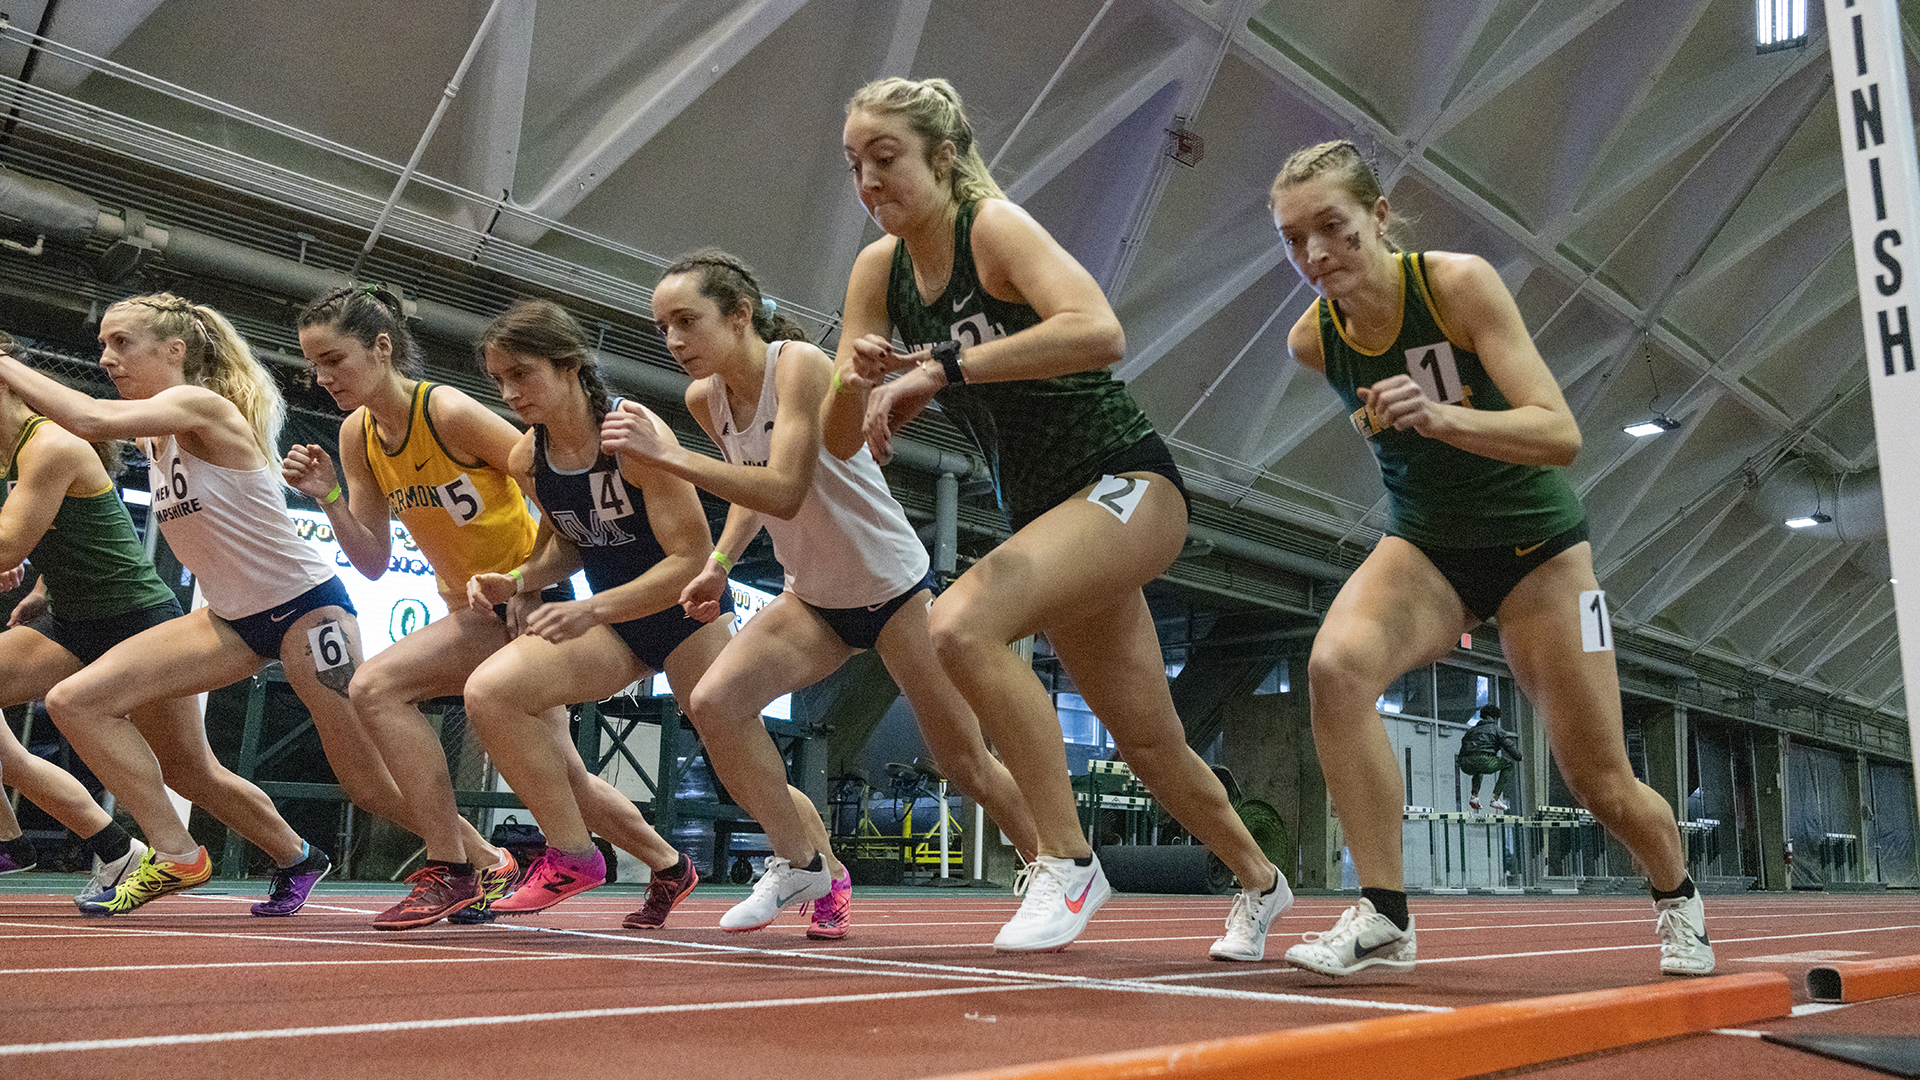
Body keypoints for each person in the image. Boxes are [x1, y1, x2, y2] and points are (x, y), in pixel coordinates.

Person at [838, 77, 1289, 958]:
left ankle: (1066, 859)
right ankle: (1261, 881)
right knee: (1153, 747)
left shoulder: (991, 230)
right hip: (1050, 511)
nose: (868, 182)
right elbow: (837, 420)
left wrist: (939, 368)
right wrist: (863, 382)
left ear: (944, 156)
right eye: (854, 166)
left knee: (962, 623)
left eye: (885, 159)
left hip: (1127, 481)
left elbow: (1098, 330)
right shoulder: (877, 270)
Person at [1267, 140, 1712, 977]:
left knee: (1599, 780)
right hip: (1428, 548)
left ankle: (1678, 895)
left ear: (1380, 216)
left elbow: (1560, 434)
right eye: (1294, 239)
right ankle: (1385, 915)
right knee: (1336, 667)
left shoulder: (1457, 285)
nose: (1315, 253)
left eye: (1332, 226)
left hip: (1539, 552)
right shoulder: (1312, 340)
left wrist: (1446, 417)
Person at [602, 248, 1040, 936]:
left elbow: (786, 486)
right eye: (662, 327)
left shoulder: (798, 366)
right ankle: (801, 860)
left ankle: (1053, 868)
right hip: (816, 600)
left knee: (964, 763)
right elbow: (752, 485)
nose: (673, 340)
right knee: (716, 701)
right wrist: (720, 559)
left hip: (894, 590)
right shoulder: (705, 398)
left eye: (687, 320)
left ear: (740, 315)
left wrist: (668, 458)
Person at [0, 296, 402, 917]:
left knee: (368, 783)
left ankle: (482, 860)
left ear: (175, 350)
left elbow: (83, 417)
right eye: (103, 344)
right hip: (230, 619)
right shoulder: (154, 427)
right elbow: (87, 512)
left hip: (305, 609)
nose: (107, 358)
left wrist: (6, 365)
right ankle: (178, 852)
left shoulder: (201, 405)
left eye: (121, 343)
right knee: (80, 705)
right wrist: (47, 586)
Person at [465, 299, 832, 931]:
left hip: (687, 615)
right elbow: (568, 540)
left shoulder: (634, 438)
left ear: (570, 366)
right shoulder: (529, 458)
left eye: (521, 374)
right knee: (491, 692)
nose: (509, 392)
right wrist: (520, 578)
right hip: (614, 623)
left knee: (741, 768)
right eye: (498, 380)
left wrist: (590, 607)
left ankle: (825, 872)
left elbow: (689, 556)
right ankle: (572, 855)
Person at [1456, 704, 1520, 812]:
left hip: (1465, 764)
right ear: (1495, 717)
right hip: (1483, 761)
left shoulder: (1471, 731)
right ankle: (1495, 798)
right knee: (1509, 764)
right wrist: (1519, 757)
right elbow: (1508, 746)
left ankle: (1474, 797)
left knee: (1478, 766)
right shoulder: (1496, 729)